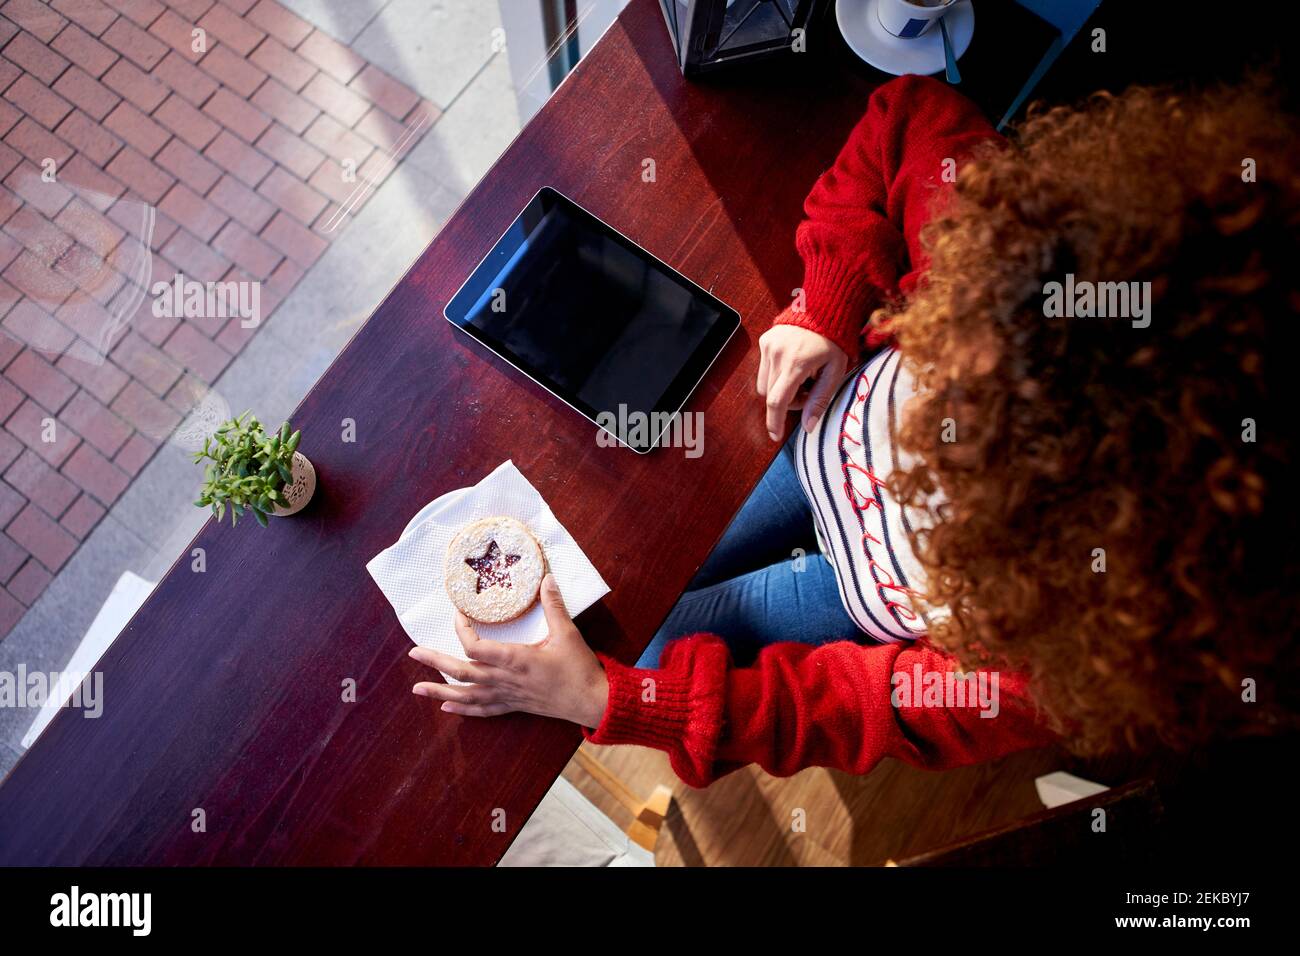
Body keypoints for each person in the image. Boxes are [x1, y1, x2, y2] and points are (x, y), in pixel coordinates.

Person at [411, 74, 1299, 787]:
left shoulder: (1054, 665)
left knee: (631, 645)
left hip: (851, 597)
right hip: (812, 433)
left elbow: (857, 710)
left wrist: (613, 699)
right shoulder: (1043, 269)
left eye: (970, 452)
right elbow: (911, 116)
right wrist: (830, 308)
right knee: (617, 568)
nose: (929, 442)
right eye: (955, 358)